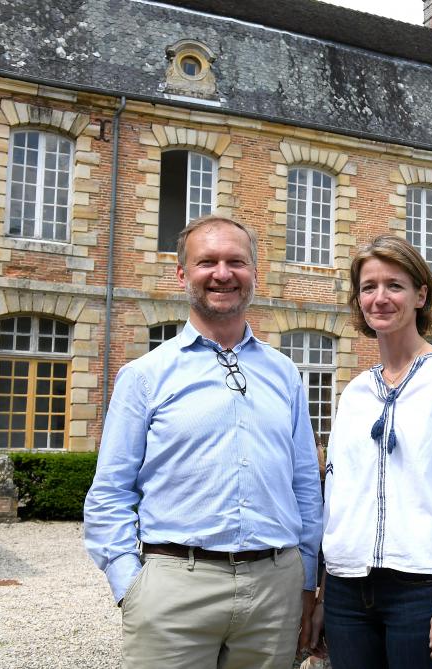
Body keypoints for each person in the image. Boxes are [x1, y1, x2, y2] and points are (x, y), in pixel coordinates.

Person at [84, 214, 323, 668]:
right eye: (206, 261)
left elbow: (305, 484)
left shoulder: (285, 374)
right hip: (174, 590)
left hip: (275, 591)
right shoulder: (144, 377)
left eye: (237, 261)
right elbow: (110, 492)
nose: (223, 273)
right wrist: (132, 588)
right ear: (181, 273)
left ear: (254, 271)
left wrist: (306, 580)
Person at [316, 234, 432, 668]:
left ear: (420, 294)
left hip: (420, 588)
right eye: (368, 287)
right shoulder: (357, 391)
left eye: (394, 285)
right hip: (346, 591)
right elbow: (337, 495)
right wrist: (323, 591)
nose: (380, 298)